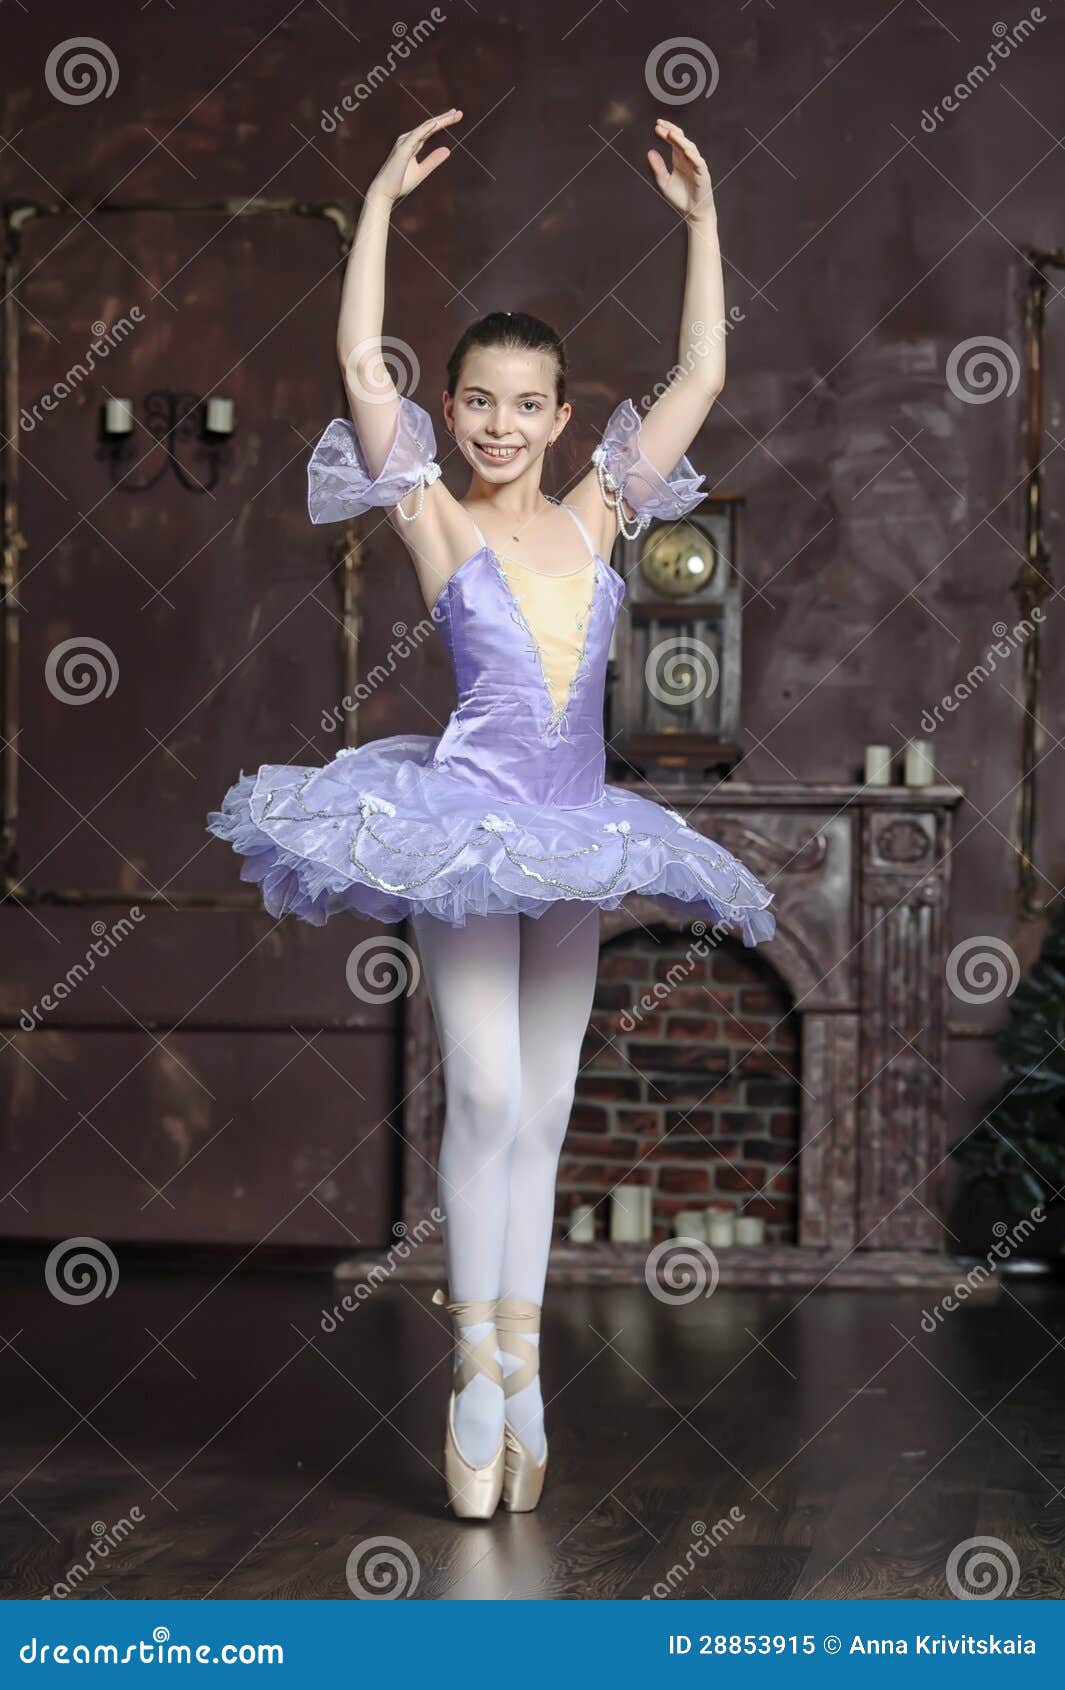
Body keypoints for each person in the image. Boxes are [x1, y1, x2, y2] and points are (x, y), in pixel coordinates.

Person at [206, 109, 775, 1521]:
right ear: (451, 410)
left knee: (553, 1101)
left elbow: (703, 371)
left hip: (574, 828)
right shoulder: (435, 519)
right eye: (478, 402)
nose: (503, 425)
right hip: (465, 827)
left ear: (563, 418)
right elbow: (360, 363)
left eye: (528, 405)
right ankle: (471, 1370)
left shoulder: (598, 516)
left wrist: (704, 224)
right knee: (490, 1092)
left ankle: (522, 1375)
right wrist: (376, 208)